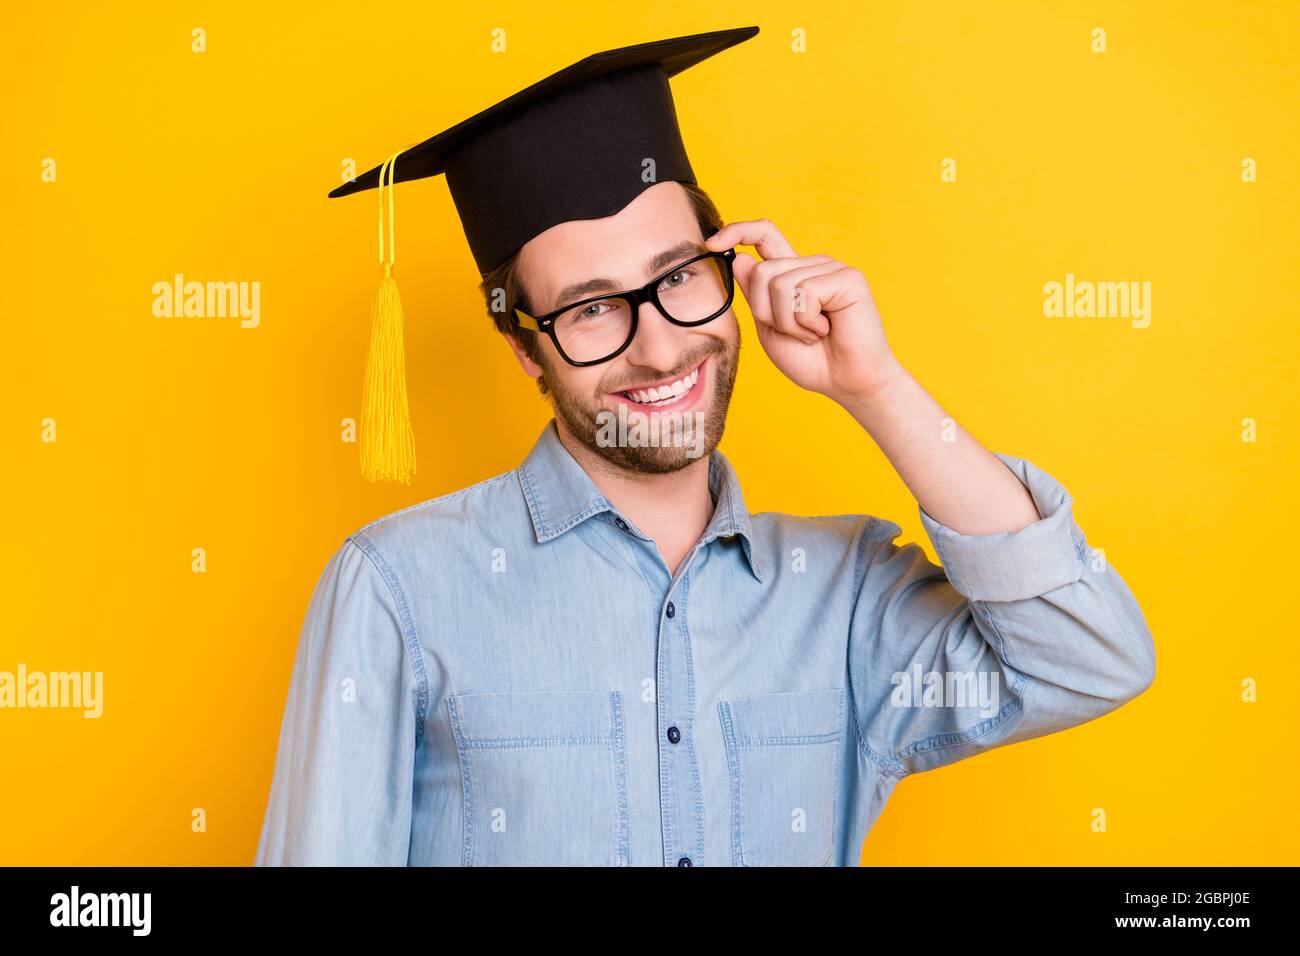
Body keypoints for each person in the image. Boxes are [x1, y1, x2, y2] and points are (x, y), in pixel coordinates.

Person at [254, 27, 1154, 866]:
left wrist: (874, 386)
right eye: (592, 307)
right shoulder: (400, 588)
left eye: (679, 277)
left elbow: (1087, 657)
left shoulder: (843, 600)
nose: (658, 347)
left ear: (733, 268)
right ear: (525, 345)